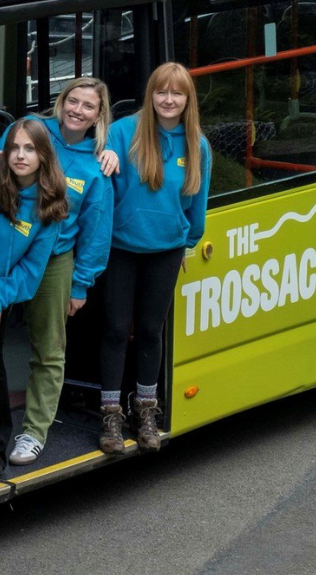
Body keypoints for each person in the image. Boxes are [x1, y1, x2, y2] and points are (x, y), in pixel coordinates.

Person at [0, 78, 118, 467]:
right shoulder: (31, 131)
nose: (77, 110)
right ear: (61, 102)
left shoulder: (97, 165)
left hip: (54, 261)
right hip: (9, 244)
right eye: (72, 101)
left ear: (99, 116)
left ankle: (33, 432)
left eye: (88, 106)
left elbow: (97, 233)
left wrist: (81, 284)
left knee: (48, 349)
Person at [99, 63, 211, 453]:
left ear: (187, 99)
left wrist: (189, 244)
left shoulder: (198, 144)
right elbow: (93, 172)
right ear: (151, 94)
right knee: (115, 329)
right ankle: (110, 414)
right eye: (161, 91)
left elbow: (197, 204)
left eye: (176, 93)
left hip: (167, 251)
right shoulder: (122, 132)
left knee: (151, 330)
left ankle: (146, 410)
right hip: (120, 249)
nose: (168, 99)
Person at [0, 118, 71, 472]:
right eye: (14, 148)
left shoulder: (50, 205)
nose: (20, 156)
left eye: (29, 149)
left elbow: (29, 272)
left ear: (43, 156)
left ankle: (10, 441)